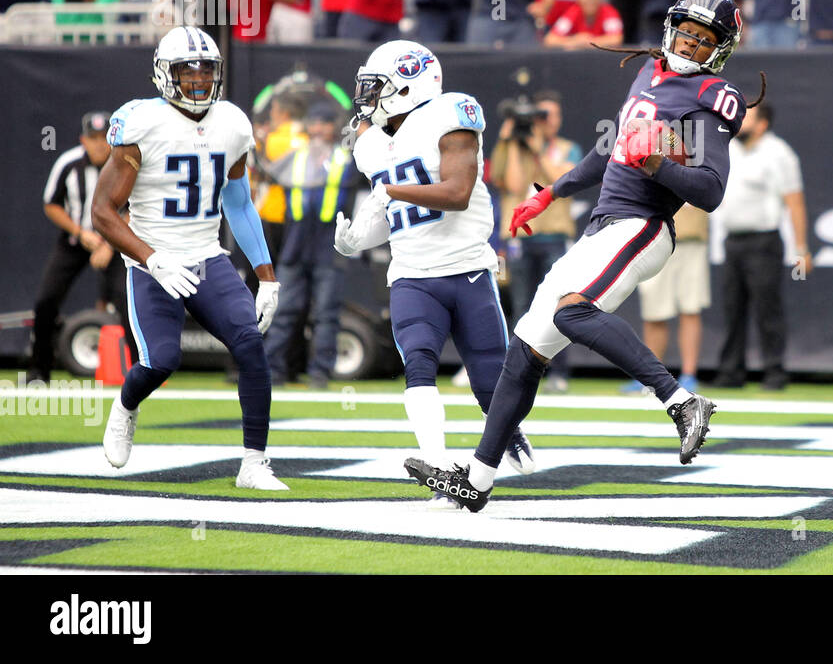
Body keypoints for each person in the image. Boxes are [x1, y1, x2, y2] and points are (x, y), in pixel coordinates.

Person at [406, 0, 751, 512]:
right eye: (686, 30)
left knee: (572, 312)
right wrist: (550, 192)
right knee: (524, 352)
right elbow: (609, 151)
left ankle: (681, 401)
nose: (690, 43)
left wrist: (659, 165)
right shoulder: (648, 73)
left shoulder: (711, 96)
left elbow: (710, 191)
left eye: (704, 40)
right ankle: (476, 480)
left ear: (718, 50)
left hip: (643, 225)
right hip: (603, 226)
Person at [333, 40, 536, 505]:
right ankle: (440, 468)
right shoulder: (373, 144)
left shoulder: (451, 115)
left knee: (491, 383)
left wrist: (390, 190)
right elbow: (389, 215)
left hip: (467, 271)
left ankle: (508, 435)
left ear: (407, 86)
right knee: (418, 365)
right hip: (411, 274)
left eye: (377, 87)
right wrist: (355, 239)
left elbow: (457, 191)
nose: (367, 97)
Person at [91, 26, 287, 490]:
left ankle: (254, 463)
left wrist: (267, 277)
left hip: (207, 255)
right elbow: (102, 212)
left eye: (206, 71)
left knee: (251, 346)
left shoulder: (233, 123)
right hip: (152, 261)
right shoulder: (141, 123)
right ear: (165, 74)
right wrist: (152, 258)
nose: (198, 81)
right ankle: (126, 407)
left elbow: (238, 202)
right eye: (187, 71)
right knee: (161, 361)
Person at [29, 111, 135, 383]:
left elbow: (135, 209)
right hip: (76, 241)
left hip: (114, 243)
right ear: (82, 140)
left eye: (104, 138)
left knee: (129, 301)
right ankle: (39, 370)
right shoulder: (69, 163)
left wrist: (109, 244)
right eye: (93, 138)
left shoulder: (125, 163)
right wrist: (79, 232)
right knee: (46, 300)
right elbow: (51, 204)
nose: (99, 144)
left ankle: (140, 370)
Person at [713, 102, 812, 390]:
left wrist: (801, 248)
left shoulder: (779, 153)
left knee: (767, 309)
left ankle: (774, 371)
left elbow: (794, 201)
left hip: (763, 242)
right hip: (732, 241)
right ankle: (731, 372)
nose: (738, 122)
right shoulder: (727, 148)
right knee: (733, 309)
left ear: (763, 124)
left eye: (747, 118)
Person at [488, 90, 582, 392]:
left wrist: (539, 150)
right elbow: (514, 184)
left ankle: (559, 372)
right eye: (538, 115)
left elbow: (562, 181)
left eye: (548, 115)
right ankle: (518, 371)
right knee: (520, 304)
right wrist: (512, 141)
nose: (543, 121)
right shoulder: (514, 148)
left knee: (558, 305)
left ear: (558, 118)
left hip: (554, 235)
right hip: (519, 237)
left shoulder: (568, 148)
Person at [261, 103, 354, 389]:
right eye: (313, 124)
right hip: (295, 243)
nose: (318, 130)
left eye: (324, 125)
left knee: (327, 312)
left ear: (332, 129)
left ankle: (320, 373)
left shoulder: (344, 158)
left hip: (329, 245)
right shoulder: (296, 157)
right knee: (284, 310)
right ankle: (273, 370)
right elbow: (268, 172)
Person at [624, 203, 710, 394]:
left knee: (691, 308)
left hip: (691, 237)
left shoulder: (699, 170)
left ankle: (689, 375)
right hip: (654, 237)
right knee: (654, 311)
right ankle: (649, 378)